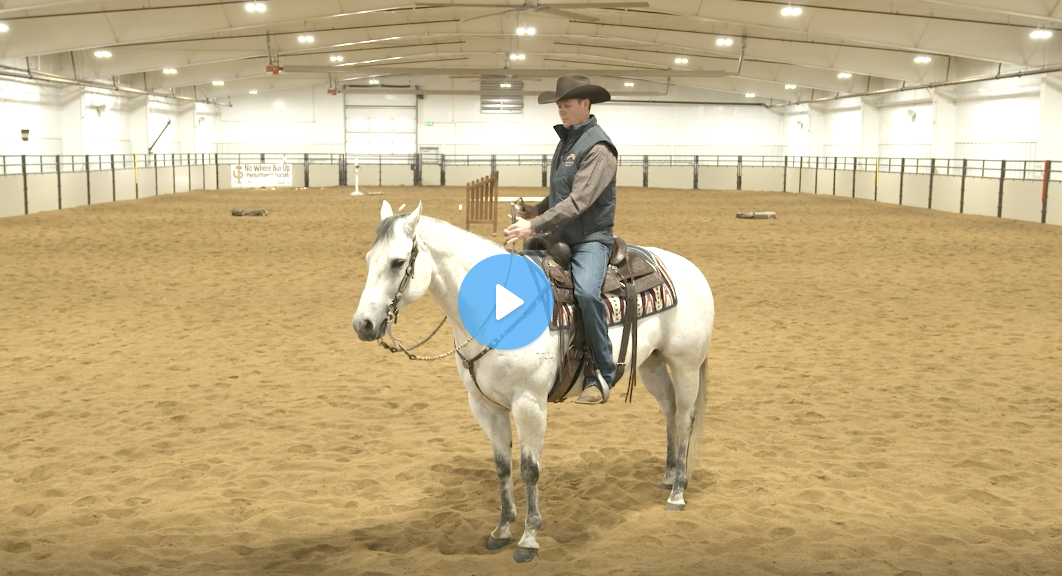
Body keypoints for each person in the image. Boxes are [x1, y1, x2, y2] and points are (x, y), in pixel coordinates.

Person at [504, 74, 619, 405]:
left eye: (566, 104)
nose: (560, 110)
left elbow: (580, 201)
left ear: (585, 104)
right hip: (562, 231)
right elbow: (560, 194)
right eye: (559, 105)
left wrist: (534, 225)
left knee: (585, 293)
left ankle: (601, 371)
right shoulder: (568, 141)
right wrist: (534, 209)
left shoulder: (599, 148)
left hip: (591, 239)